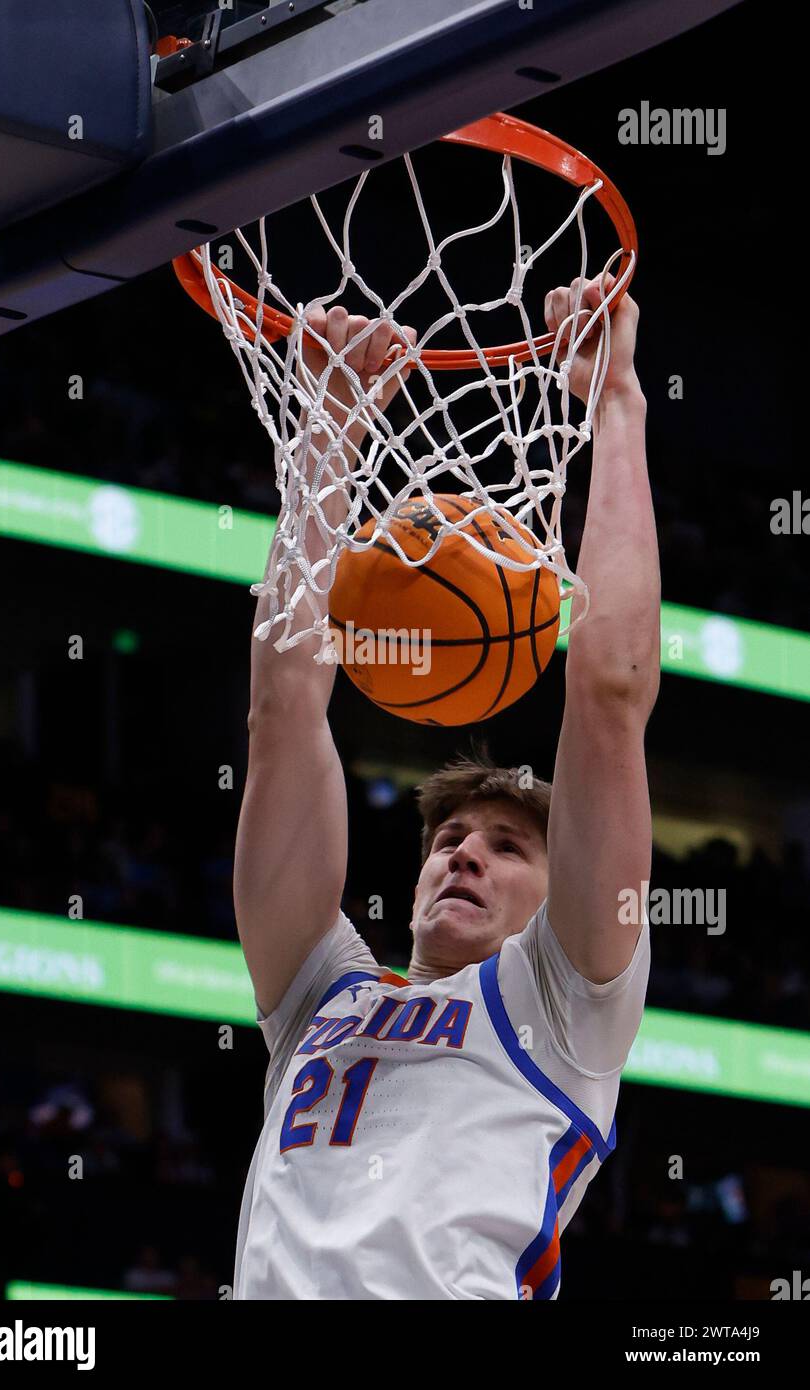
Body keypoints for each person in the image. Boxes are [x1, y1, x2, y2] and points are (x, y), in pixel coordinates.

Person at [232, 275, 659, 1299]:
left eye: (508, 845)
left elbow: (607, 690)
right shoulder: (317, 995)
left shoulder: (561, 1004)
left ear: (559, 895)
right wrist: (328, 431)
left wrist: (614, 405)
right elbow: (283, 703)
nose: (463, 849)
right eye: (449, 836)